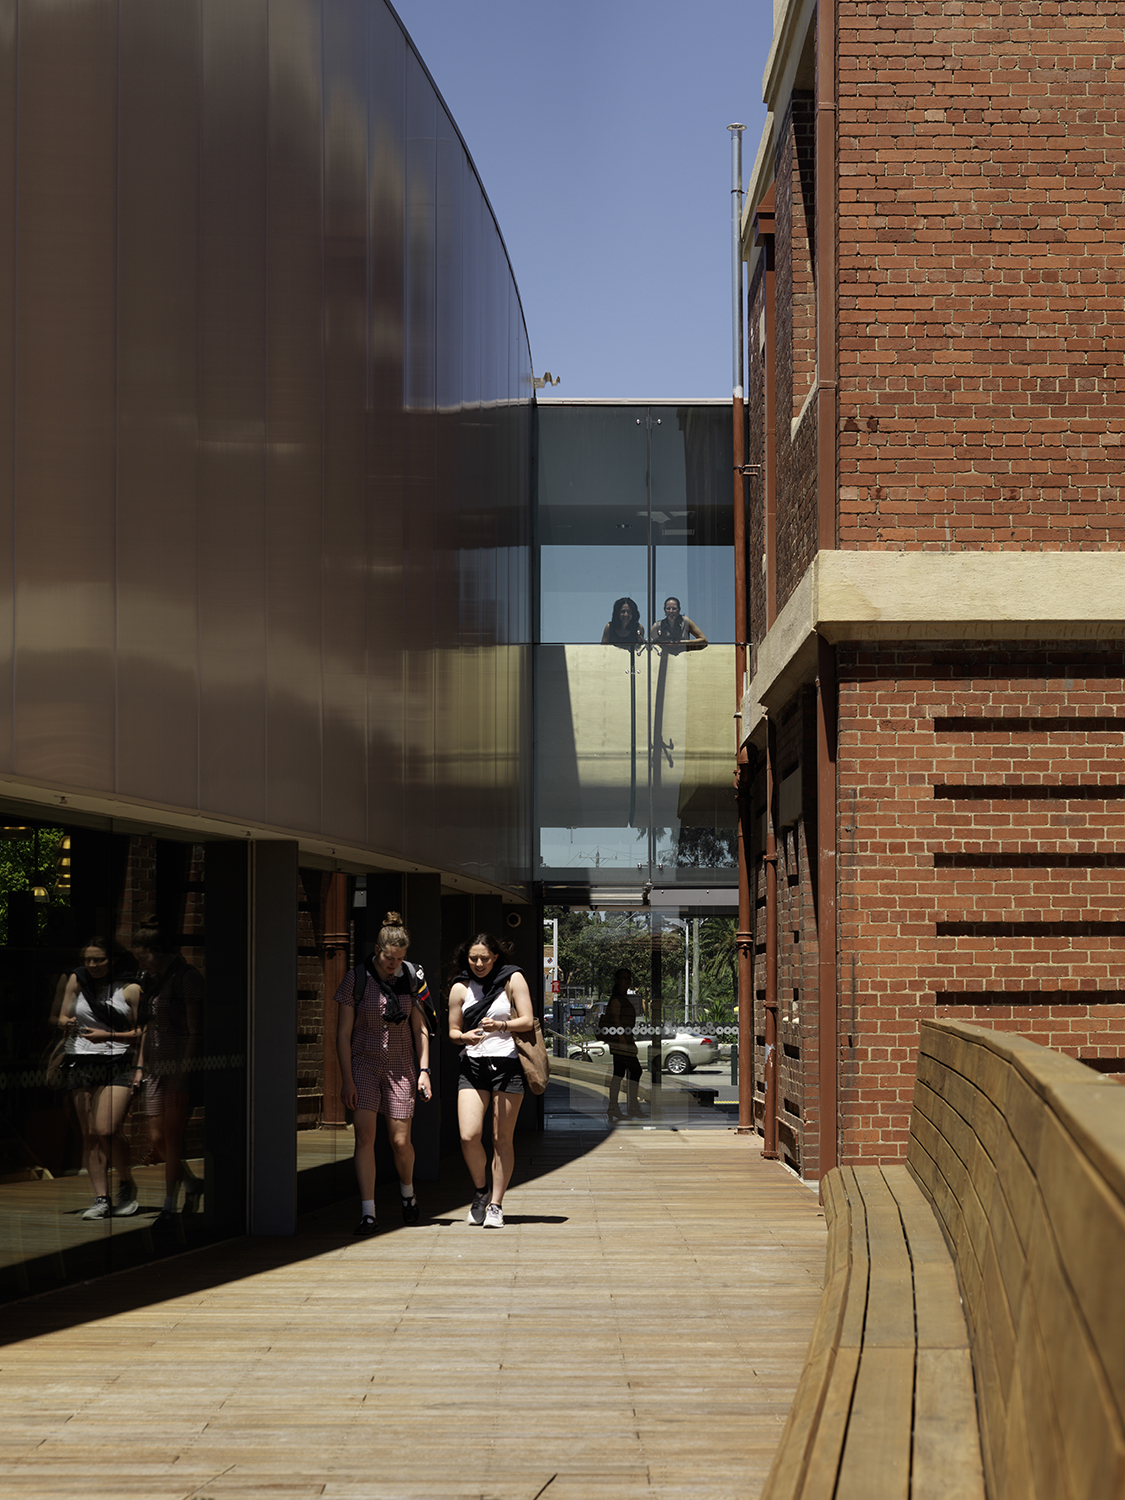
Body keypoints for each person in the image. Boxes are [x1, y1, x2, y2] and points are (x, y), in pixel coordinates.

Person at [335, 912, 432, 1236]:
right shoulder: (356, 978)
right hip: (364, 1063)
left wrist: (424, 1070)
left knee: (400, 1141)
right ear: (378, 949)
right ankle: (368, 1212)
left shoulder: (413, 976)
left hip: (402, 1066)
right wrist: (347, 1078)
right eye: (390, 958)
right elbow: (343, 1034)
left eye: (400, 958)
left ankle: (407, 1194)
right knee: (365, 1137)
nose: (395, 964)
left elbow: (421, 1029)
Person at [448, 933, 534, 1228]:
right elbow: (452, 1031)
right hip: (472, 1067)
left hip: (508, 1065)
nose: (480, 963)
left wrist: (501, 1025)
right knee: (469, 1135)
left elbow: (527, 1019)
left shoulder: (513, 979)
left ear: (495, 956)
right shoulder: (460, 987)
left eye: (485, 957)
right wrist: (464, 1037)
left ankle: (496, 1204)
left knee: (500, 1139)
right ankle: (481, 1191)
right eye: (474, 958)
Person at [56, 938, 144, 1219]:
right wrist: (64, 1022)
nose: (92, 965)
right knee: (90, 1135)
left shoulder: (130, 989)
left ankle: (126, 1181)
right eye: (88, 960)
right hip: (80, 1061)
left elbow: (142, 1032)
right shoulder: (77, 980)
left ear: (113, 960)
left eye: (99, 960)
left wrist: (109, 1036)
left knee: (106, 1128)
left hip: (116, 1062)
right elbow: (61, 1015)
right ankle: (100, 1199)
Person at [133, 924, 205, 1227]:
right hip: (156, 1070)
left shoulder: (187, 978)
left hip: (178, 1068)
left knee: (173, 1138)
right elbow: (147, 1028)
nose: (141, 964)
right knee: (158, 1138)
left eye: (143, 957)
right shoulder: (154, 982)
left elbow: (196, 1030)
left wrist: (186, 1074)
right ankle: (191, 1184)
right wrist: (140, 1066)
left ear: (157, 952)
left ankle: (167, 1206)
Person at [602, 968, 645, 1122]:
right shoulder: (616, 1000)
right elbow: (617, 1022)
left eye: (629, 978)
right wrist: (622, 1043)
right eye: (624, 978)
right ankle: (627, 1106)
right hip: (621, 1042)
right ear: (617, 980)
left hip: (625, 1040)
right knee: (633, 1071)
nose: (627, 981)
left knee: (620, 1073)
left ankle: (616, 1107)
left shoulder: (622, 998)